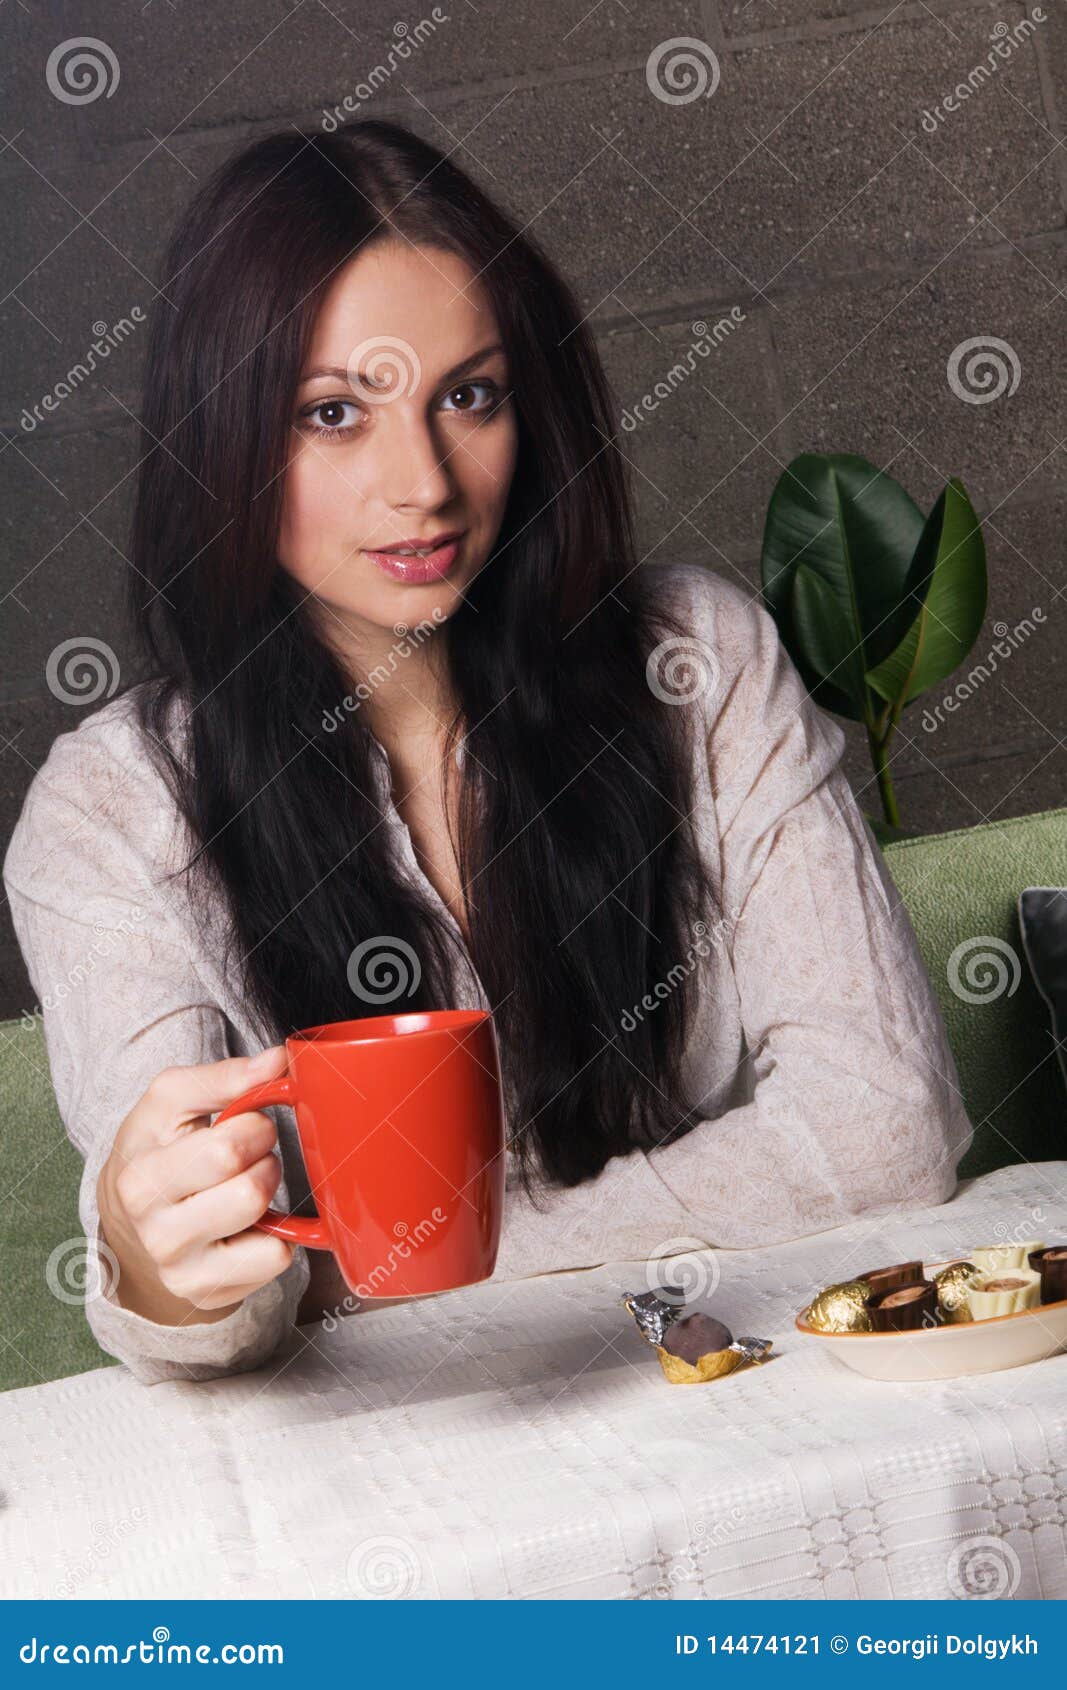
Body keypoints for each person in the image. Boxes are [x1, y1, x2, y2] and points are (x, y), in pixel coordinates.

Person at [3, 120, 972, 1386]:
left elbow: (888, 1129)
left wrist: (387, 1272)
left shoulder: (695, 662)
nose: (422, 485)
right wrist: (154, 1269)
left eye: (467, 396)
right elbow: (226, 1314)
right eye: (331, 413)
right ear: (222, 441)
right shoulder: (110, 815)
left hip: (723, 1391)